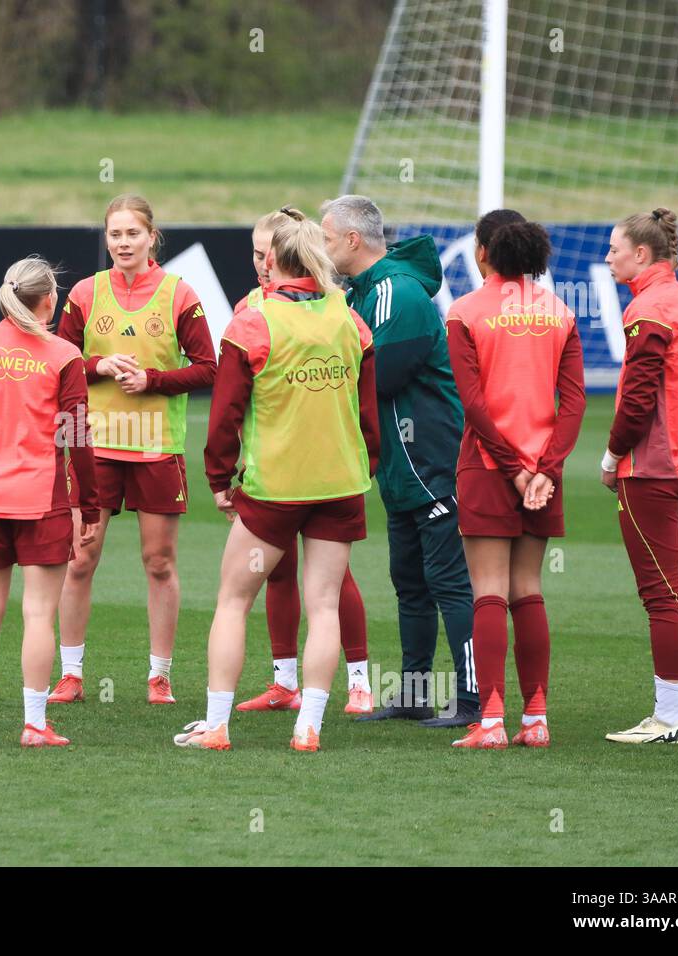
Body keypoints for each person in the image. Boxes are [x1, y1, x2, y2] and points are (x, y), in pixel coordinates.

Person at [175, 217, 379, 751]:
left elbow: (225, 416)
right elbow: (369, 415)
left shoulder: (252, 323)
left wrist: (220, 477)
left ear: (275, 261)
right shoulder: (350, 321)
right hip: (340, 484)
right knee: (325, 605)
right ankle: (308, 725)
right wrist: (365, 467)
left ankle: (217, 725)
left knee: (232, 601)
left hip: (275, 490)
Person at [50, 194, 216, 705]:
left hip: (156, 447)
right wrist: (97, 365)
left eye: (132, 234)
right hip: (90, 445)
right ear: (106, 238)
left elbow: (209, 366)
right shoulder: (83, 292)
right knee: (80, 558)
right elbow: (57, 361)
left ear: (152, 237)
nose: (123, 243)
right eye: (115, 234)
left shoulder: (178, 294)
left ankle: (159, 675)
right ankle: (72, 675)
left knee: (159, 562)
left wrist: (153, 380)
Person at [321, 195, 480, 728]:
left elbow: (381, 375)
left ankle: (471, 700)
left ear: (351, 240)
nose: (321, 249)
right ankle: (415, 695)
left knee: (448, 581)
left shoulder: (394, 290)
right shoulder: (366, 292)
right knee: (410, 582)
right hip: (399, 461)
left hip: (427, 456)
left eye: (325, 238)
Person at [444, 210, 586, 749]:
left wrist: (516, 469)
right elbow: (573, 402)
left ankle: (492, 721)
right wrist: (544, 470)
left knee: (488, 594)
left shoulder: (464, 312)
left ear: (483, 251)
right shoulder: (560, 312)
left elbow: (474, 405)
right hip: (543, 474)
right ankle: (537, 718)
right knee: (529, 591)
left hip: (488, 468)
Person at [0, 257, 101, 746]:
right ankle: (35, 724)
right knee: (39, 614)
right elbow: (77, 437)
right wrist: (93, 506)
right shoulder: (62, 354)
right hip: (41, 498)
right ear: (49, 299)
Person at [233, 206, 374, 715]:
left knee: (335, 584)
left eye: (265, 252)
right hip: (275, 466)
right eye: (253, 253)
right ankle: (285, 682)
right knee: (278, 574)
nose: (260, 263)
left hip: (305, 471)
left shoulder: (331, 307)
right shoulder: (249, 307)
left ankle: (359, 680)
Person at [601, 208, 678, 745]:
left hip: (652, 468)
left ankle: (667, 718)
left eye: (615, 248)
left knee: (661, 595)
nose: (608, 256)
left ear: (641, 254)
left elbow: (640, 398)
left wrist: (610, 455)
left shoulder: (649, 309)